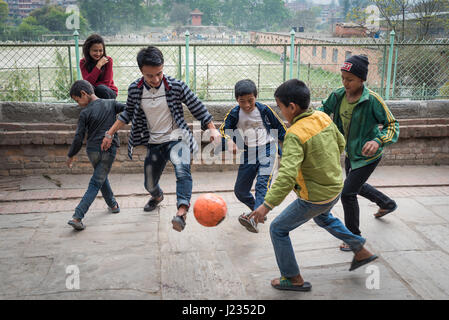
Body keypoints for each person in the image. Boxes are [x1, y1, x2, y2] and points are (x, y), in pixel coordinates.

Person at [249, 79, 378, 292]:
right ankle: (360, 248)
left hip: (315, 197)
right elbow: (341, 144)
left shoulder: (295, 135)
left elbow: (286, 176)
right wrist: (322, 166)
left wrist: (266, 206)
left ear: (292, 107)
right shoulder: (322, 117)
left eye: (280, 108)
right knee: (323, 217)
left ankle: (292, 278)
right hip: (336, 187)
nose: (281, 113)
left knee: (278, 229)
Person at [101, 46, 221, 232]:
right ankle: (157, 196)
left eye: (159, 73)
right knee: (149, 183)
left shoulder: (176, 86)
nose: (156, 79)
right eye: (150, 76)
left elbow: (197, 107)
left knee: (182, 172)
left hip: (177, 139)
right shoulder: (135, 89)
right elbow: (127, 114)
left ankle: (181, 212)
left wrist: (213, 130)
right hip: (154, 144)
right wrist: (109, 133)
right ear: (141, 72)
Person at [318, 55, 399, 251]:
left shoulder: (372, 100)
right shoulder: (337, 96)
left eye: (350, 79)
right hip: (351, 153)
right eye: (343, 78)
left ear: (362, 79)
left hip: (369, 155)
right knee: (357, 186)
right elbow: (321, 112)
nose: (345, 83)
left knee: (347, 193)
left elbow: (392, 125)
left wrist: (377, 140)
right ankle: (386, 203)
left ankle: (354, 237)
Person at [220, 79, 286, 233]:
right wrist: (229, 141)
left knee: (262, 184)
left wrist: (292, 146)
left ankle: (254, 218)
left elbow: (281, 128)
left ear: (256, 97)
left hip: (268, 149)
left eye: (250, 100)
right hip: (249, 152)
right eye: (242, 101)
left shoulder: (265, 110)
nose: (247, 105)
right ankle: (260, 211)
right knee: (240, 191)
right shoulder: (235, 113)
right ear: (237, 100)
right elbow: (224, 129)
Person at [66, 80, 125, 231]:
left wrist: (71, 154)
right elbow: (129, 110)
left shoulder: (84, 113)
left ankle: (113, 205)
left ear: (84, 94)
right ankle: (77, 217)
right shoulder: (111, 103)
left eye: (77, 99)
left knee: (100, 178)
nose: (78, 103)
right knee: (96, 181)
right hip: (107, 150)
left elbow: (79, 137)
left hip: (92, 151)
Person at [80, 34, 118, 99]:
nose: (98, 54)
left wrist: (92, 86)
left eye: (100, 50)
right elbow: (88, 82)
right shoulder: (83, 62)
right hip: (92, 92)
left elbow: (106, 83)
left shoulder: (108, 60)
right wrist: (98, 66)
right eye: (95, 50)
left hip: (108, 91)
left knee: (101, 89)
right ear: (88, 50)